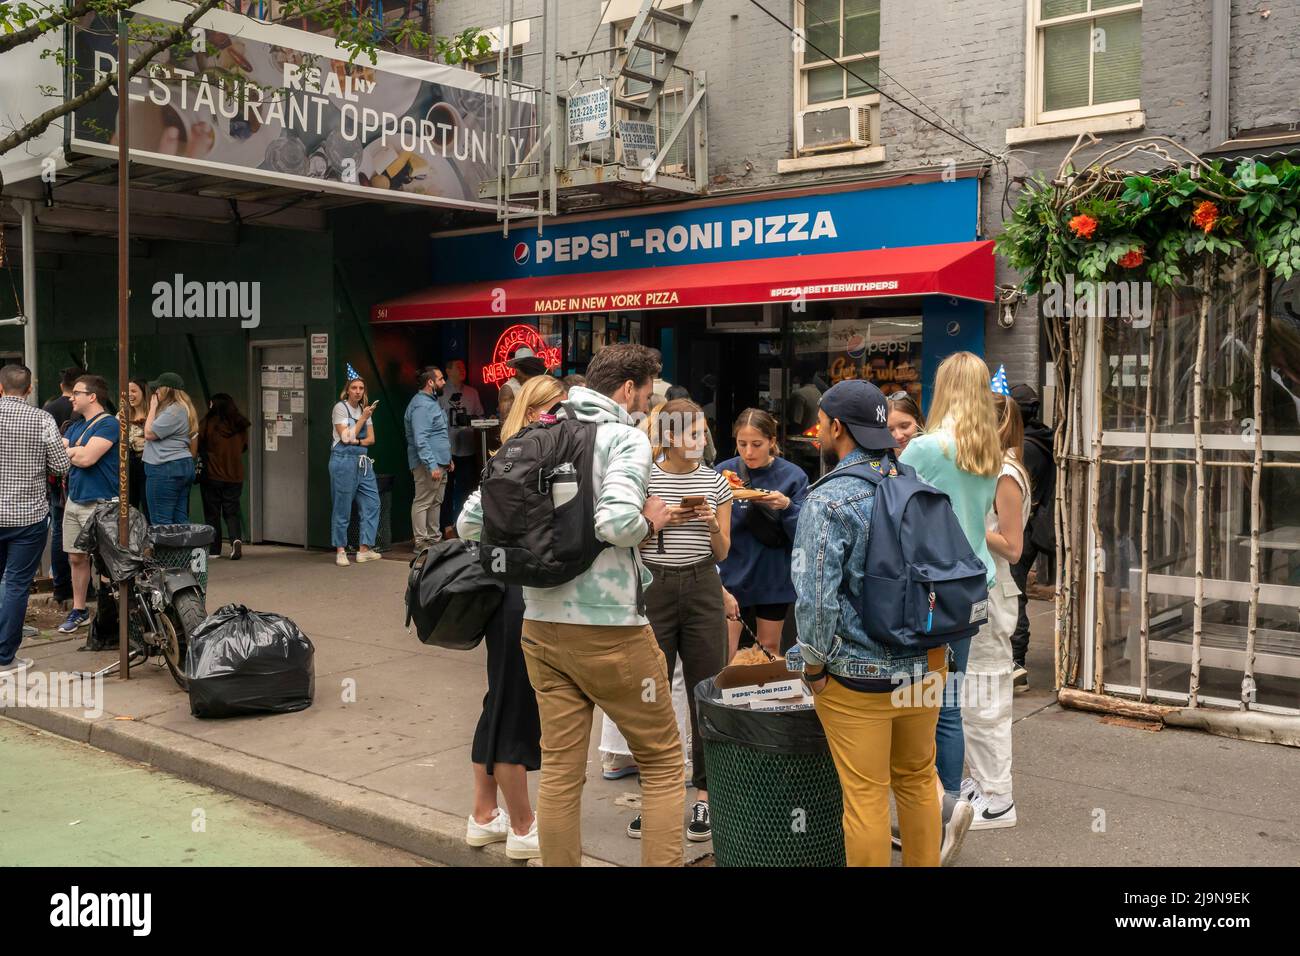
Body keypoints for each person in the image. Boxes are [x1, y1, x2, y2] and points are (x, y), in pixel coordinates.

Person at [457, 343, 683, 868]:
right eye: (646, 395)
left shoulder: (532, 435)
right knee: (663, 762)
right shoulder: (624, 438)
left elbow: (471, 522)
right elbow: (616, 524)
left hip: (540, 627)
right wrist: (653, 519)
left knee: (561, 771)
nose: (645, 406)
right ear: (628, 389)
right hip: (612, 632)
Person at [787, 379, 947, 866]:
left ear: (837, 428)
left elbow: (815, 600)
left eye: (821, 424)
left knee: (866, 798)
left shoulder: (829, 499)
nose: (817, 432)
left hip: (859, 675)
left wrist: (813, 666)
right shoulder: (917, 483)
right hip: (926, 664)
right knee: (919, 780)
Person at [899, 351, 1000, 844]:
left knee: (918, 700)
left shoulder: (925, 448)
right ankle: (952, 803)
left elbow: (890, 504)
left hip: (931, 590)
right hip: (974, 585)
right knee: (951, 702)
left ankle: (929, 812)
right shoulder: (987, 449)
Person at [622, 398, 732, 844]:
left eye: (703, 432)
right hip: (655, 587)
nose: (702, 440)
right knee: (651, 693)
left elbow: (723, 552)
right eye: (693, 433)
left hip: (704, 585)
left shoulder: (715, 482)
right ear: (668, 436)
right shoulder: (643, 477)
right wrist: (656, 522)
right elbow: (625, 539)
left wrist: (710, 522)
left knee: (707, 691)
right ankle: (657, 797)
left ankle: (706, 796)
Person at [464, 374, 564, 862]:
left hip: (506, 593)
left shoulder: (503, 459)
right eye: (559, 411)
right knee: (515, 708)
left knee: (499, 699)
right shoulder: (534, 463)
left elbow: (467, 523)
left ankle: (484, 815)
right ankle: (522, 824)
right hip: (524, 598)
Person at [963, 393, 1031, 830]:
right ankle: (983, 784)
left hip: (995, 594)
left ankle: (998, 797)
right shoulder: (994, 469)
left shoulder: (1006, 474)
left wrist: (969, 523)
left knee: (986, 698)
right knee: (972, 697)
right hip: (984, 592)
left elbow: (1013, 545)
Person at [715, 408, 807, 658]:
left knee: (769, 649)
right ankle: (724, 698)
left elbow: (804, 532)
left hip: (772, 575)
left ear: (772, 442)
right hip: (732, 574)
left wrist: (786, 506)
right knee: (726, 651)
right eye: (741, 444)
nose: (748, 452)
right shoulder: (723, 473)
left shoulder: (793, 476)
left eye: (757, 444)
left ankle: (767, 697)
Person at [0, 365, 71, 672]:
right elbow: (60, 466)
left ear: (0, 388)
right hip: (27, 517)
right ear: (29, 390)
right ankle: (4, 657)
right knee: (16, 584)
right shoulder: (41, 419)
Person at [58, 374, 120, 636]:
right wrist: (76, 449)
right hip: (74, 499)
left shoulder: (108, 425)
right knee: (75, 557)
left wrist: (73, 450)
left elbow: (87, 459)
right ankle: (80, 610)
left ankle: (110, 614)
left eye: (77, 393)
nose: (71, 397)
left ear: (92, 396)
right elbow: (59, 451)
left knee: (106, 562)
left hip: (102, 502)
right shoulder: (75, 425)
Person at [1009, 383, 1055, 690]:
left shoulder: (1025, 448)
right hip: (1033, 527)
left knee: (1013, 594)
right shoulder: (1045, 438)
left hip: (1022, 529)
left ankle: (1016, 663)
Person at [330, 373, 381, 566]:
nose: (358, 392)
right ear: (347, 390)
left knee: (372, 502)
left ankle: (364, 549)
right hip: (343, 460)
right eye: (354, 388)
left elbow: (371, 439)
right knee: (342, 505)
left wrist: (357, 439)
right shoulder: (340, 408)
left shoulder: (363, 409)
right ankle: (341, 550)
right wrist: (363, 419)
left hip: (362, 460)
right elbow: (344, 438)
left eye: (361, 388)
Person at [42, 366, 83, 604]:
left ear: (61, 386)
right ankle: (84, 587)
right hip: (77, 478)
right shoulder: (86, 412)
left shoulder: (50, 409)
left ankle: (60, 586)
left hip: (56, 483)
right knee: (83, 534)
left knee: (59, 531)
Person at [404, 365, 452, 552]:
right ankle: (421, 541)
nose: (444, 382)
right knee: (423, 500)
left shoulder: (431, 402)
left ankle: (433, 539)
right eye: (440, 379)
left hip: (440, 462)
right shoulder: (421, 406)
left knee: (435, 501)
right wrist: (431, 464)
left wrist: (447, 459)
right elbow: (420, 439)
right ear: (430, 382)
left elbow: (438, 434)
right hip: (428, 464)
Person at [199, 393, 251, 560]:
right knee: (231, 511)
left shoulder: (207, 423)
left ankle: (214, 549)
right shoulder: (239, 424)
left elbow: (199, 444)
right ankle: (235, 539)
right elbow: (243, 447)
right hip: (235, 475)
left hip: (213, 474)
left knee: (212, 512)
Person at [143, 372, 198, 524]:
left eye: (158, 388)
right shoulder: (182, 409)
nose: (156, 392)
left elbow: (149, 433)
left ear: (167, 390)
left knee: (161, 522)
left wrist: (153, 407)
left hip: (165, 468)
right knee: (179, 519)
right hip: (179, 466)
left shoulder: (174, 411)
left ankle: (165, 549)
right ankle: (182, 549)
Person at [438, 359, 484, 534]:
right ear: (448, 371)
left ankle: (463, 526)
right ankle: (447, 526)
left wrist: (471, 421)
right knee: (446, 490)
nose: (463, 370)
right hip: (447, 450)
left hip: (467, 447)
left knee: (467, 489)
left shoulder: (472, 393)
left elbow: (481, 416)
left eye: (464, 367)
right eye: (459, 367)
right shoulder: (440, 393)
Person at [126, 379, 150, 519]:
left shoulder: (153, 415)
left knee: (148, 506)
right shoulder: (121, 416)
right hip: (128, 466)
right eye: (127, 391)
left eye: (134, 391)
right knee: (129, 507)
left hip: (147, 465)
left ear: (144, 393)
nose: (130, 395)